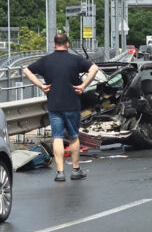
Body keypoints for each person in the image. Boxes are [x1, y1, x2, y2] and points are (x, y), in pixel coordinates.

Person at [23, 33, 99, 182]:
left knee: (57, 137)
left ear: (54, 44)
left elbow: (26, 70)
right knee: (73, 136)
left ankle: (60, 172)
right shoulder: (75, 59)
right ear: (67, 44)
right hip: (72, 104)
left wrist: (41, 86)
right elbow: (94, 69)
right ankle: (76, 170)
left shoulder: (46, 60)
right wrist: (83, 86)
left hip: (54, 105)